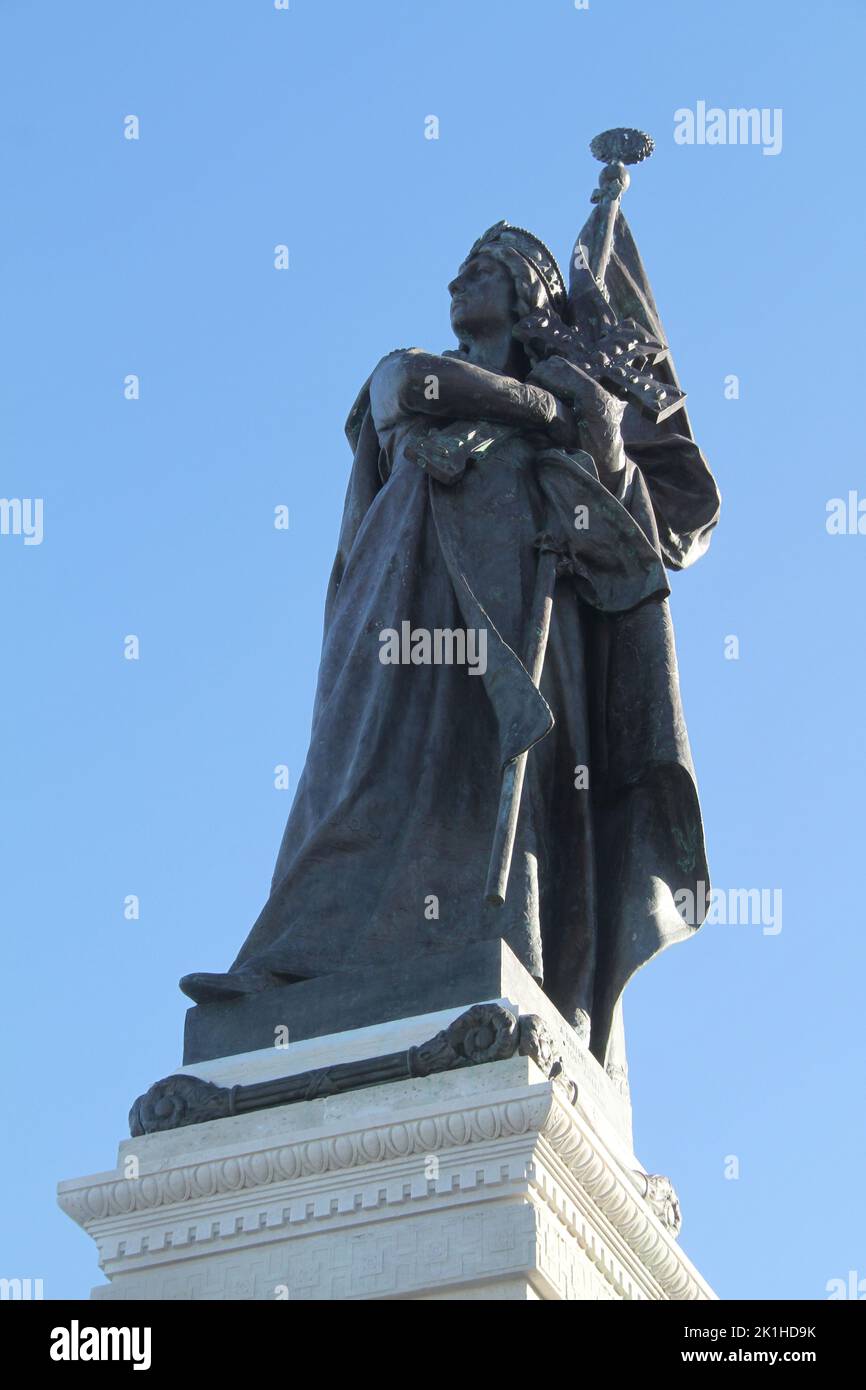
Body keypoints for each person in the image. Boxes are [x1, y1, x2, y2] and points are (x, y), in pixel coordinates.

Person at [181, 220, 720, 1085]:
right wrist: (545, 409)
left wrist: (601, 434)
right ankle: (297, 961)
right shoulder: (434, 375)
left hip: (511, 608)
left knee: (493, 773)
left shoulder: (577, 404)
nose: (455, 283)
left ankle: (500, 944)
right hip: (395, 603)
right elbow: (406, 384)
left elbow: (635, 534)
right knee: (357, 776)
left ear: (529, 293)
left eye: (480, 270)